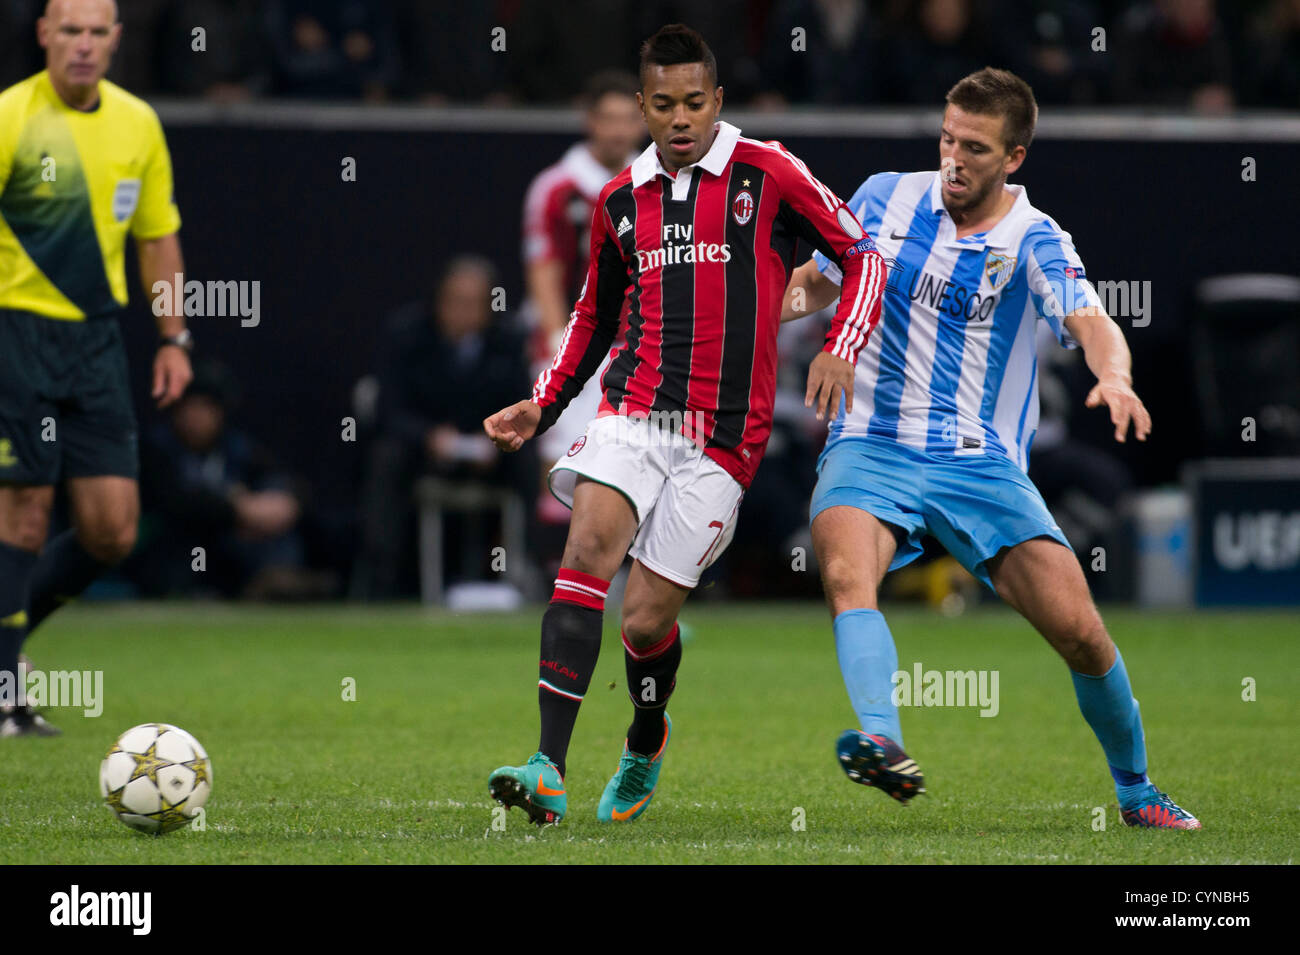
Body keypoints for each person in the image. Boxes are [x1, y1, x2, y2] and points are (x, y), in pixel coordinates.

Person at [483, 24, 885, 826]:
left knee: (644, 620)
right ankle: (547, 766)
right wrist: (546, 401)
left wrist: (842, 346)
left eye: (694, 102)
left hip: (725, 439)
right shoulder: (619, 199)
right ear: (640, 106)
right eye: (662, 104)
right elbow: (596, 316)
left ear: (717, 101)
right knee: (587, 547)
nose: (679, 118)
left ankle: (645, 734)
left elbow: (864, 253)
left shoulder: (767, 171)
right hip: (633, 410)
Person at [781, 67, 1199, 828]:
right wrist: (734, 319)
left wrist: (1116, 375)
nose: (954, 158)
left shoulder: (1034, 238)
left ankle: (1137, 791)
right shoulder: (883, 197)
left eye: (974, 146)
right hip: (870, 440)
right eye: (946, 138)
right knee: (846, 573)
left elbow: (1090, 320)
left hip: (978, 462)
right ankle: (883, 741)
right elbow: (816, 281)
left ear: (1015, 156)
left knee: (1080, 631)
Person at [0, 0, 191, 737]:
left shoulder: (137, 122)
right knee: (22, 511)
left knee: (111, 529)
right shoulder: (14, 117)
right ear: (44, 35)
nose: (82, 45)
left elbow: (158, 235)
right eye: (68, 30)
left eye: (95, 31)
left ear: (115, 40)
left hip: (96, 341)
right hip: (16, 331)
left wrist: (175, 335)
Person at [353, 256, 532, 599]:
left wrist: (499, 438)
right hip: (423, 452)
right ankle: (381, 579)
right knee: (386, 456)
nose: (461, 312)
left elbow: (524, 407)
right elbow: (387, 410)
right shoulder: (405, 335)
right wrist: (428, 437)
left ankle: (529, 569)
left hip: (489, 454)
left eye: (473, 303)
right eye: (454, 301)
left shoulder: (509, 341)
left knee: (529, 457)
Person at [521, 71, 642, 473]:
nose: (618, 130)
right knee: (561, 459)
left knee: (624, 463)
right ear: (589, 120)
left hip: (633, 349)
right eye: (608, 118)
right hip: (575, 342)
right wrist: (560, 341)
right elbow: (544, 267)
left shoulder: (652, 185)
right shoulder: (556, 187)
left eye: (628, 118)